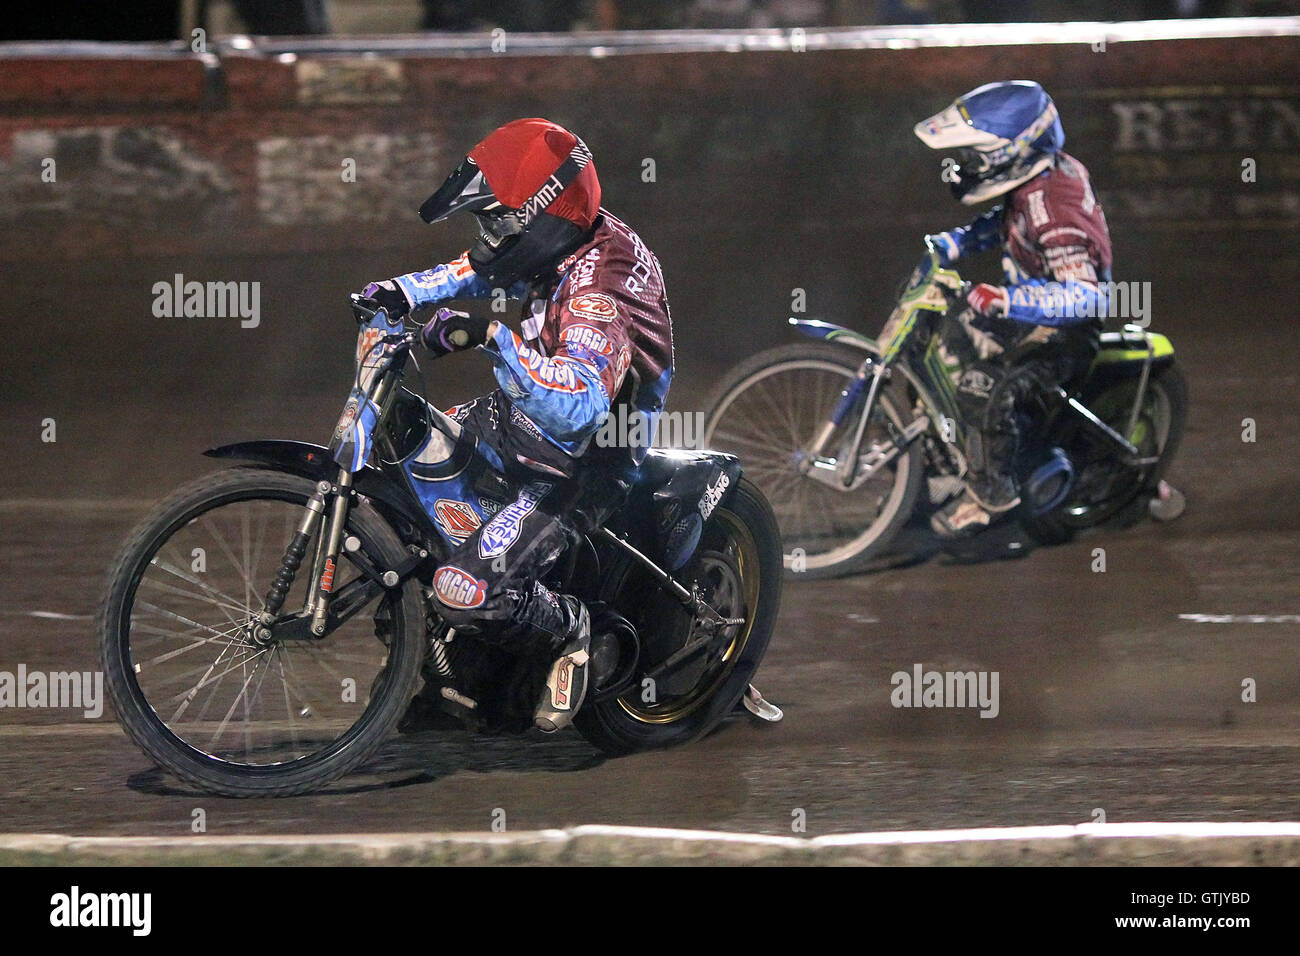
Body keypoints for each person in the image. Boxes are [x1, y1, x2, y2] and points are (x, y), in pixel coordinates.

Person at [359, 118, 673, 732]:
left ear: (544, 217)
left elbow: (578, 405)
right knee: (397, 474)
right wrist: (400, 291)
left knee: (462, 589)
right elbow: (481, 268)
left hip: (581, 462)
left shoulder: (598, 294)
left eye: (497, 222)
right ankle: (458, 675)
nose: (487, 238)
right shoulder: (563, 238)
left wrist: (493, 337)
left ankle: (569, 630)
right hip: (518, 422)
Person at [913, 80, 1113, 537]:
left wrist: (1007, 300)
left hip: (1062, 333)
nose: (967, 166)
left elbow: (1086, 295)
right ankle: (947, 470)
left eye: (976, 157)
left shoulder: (1055, 204)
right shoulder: (1034, 183)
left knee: (981, 388)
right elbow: (1009, 222)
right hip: (1023, 315)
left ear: (1014, 152)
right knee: (935, 349)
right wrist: (960, 241)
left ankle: (992, 498)